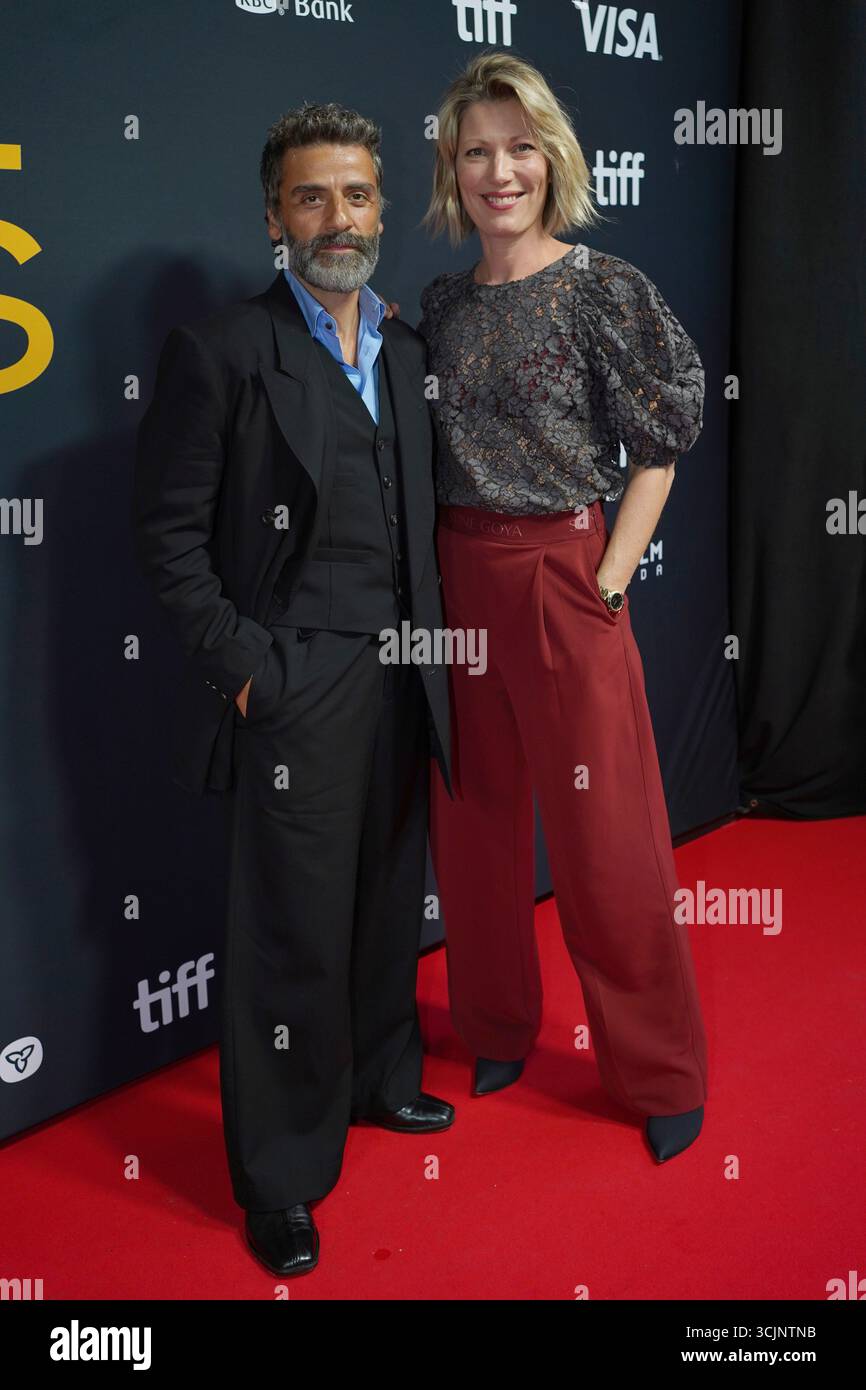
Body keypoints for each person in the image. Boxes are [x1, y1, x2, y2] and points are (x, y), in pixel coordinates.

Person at [132, 102, 455, 1278]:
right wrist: (250, 671)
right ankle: (279, 1173)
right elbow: (169, 537)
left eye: (357, 194)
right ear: (273, 215)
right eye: (311, 196)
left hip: (407, 670)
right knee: (287, 935)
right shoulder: (221, 352)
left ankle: (379, 1081)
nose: (338, 217)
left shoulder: (410, 349)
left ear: (382, 207)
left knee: (383, 895)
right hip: (296, 675)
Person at [416, 52, 709, 1162]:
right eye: (477, 149)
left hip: (559, 574)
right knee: (474, 823)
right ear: (453, 165)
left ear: (552, 158)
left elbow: (664, 438)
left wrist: (609, 576)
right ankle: (494, 1027)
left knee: (607, 838)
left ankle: (658, 1067)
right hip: (455, 580)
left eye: (519, 146)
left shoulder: (598, 286)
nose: (499, 170)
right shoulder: (442, 304)